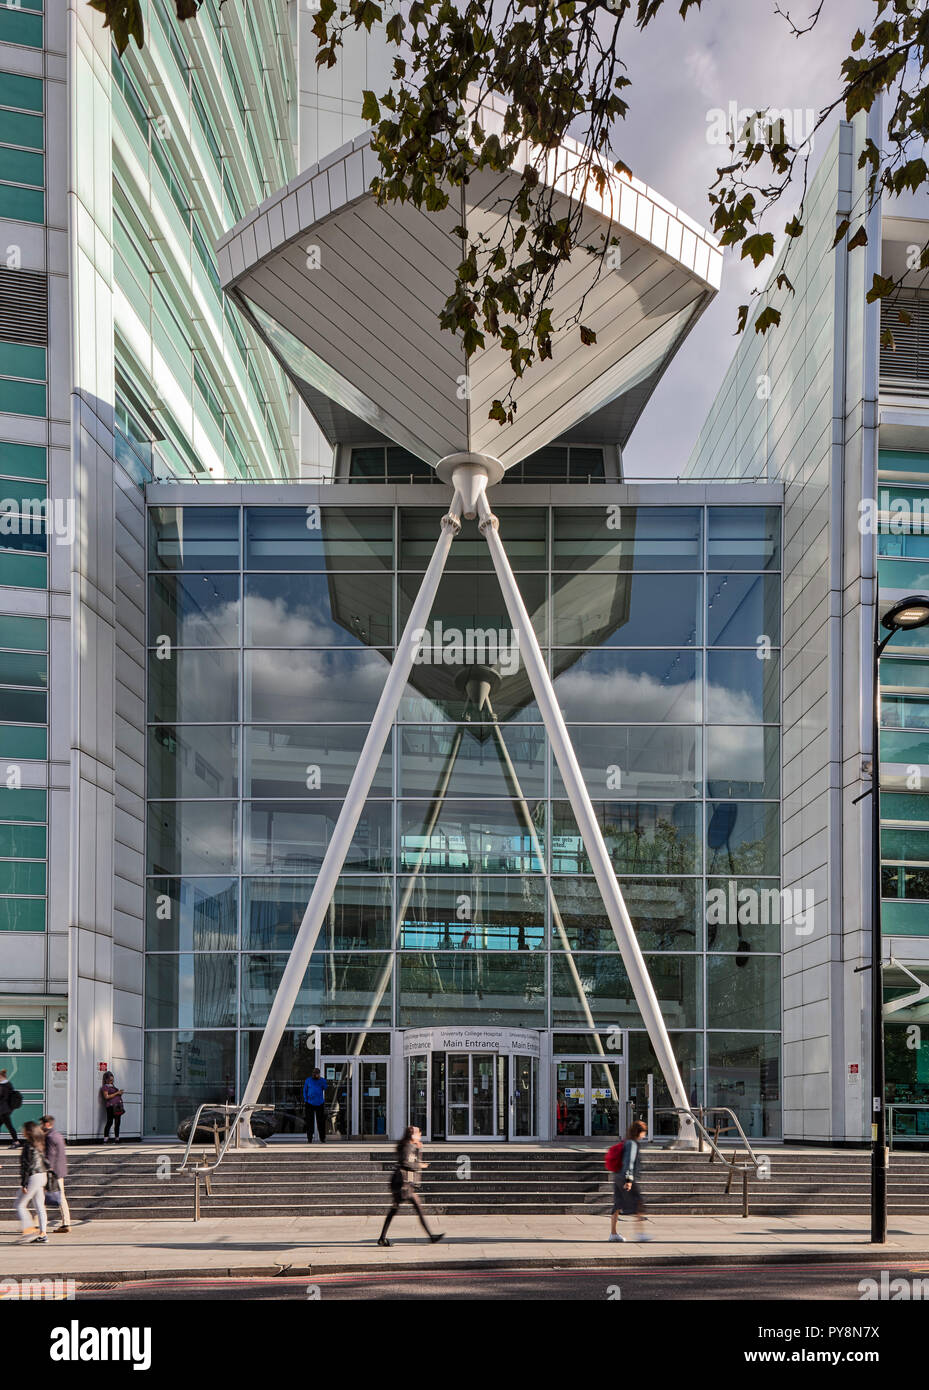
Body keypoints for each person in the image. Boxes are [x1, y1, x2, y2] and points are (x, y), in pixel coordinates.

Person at [377, 1125, 444, 1247]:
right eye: (418, 1133)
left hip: (402, 1184)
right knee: (416, 1208)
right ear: (412, 1135)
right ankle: (431, 1236)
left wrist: (419, 1149)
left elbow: (412, 1160)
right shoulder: (407, 1146)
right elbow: (405, 1163)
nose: (420, 1134)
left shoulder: (410, 1145)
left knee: (394, 1210)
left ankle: (382, 1238)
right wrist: (420, 1165)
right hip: (403, 1185)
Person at [609, 1120, 650, 1243]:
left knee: (617, 1204)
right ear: (639, 1132)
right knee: (638, 1203)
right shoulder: (632, 1144)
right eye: (644, 1132)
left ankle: (613, 1233)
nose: (644, 1135)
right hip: (626, 1177)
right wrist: (629, 1180)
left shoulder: (626, 1142)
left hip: (618, 1175)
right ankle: (640, 1234)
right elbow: (629, 1162)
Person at [15, 1121, 48, 1244]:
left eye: (23, 1129)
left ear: (28, 1132)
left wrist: (24, 1183)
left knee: (19, 1204)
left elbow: (26, 1166)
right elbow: (46, 1163)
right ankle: (43, 1233)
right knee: (39, 1205)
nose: (22, 1131)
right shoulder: (38, 1144)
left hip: (33, 1176)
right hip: (42, 1175)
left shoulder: (28, 1146)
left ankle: (29, 1231)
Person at [40, 1115, 71, 1233]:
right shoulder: (58, 1135)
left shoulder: (49, 1137)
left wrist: (46, 1170)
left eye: (41, 1124)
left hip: (52, 1172)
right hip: (60, 1170)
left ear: (47, 1124)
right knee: (61, 1196)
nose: (40, 1126)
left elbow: (50, 1156)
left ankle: (41, 1222)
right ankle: (66, 1222)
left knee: (41, 1197)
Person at [303, 1067, 327, 1144]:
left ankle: (322, 1138)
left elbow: (325, 1088)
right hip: (309, 1103)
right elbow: (305, 1091)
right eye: (314, 1073)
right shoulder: (308, 1080)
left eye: (317, 1073)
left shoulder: (322, 1080)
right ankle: (309, 1138)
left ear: (319, 1074)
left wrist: (321, 1081)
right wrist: (306, 1100)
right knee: (309, 1122)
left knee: (321, 1122)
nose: (315, 1075)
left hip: (319, 1103)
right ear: (312, 1073)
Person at [101, 1072, 125, 1142]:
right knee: (110, 1122)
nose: (112, 1081)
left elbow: (115, 1095)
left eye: (112, 1080)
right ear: (106, 1079)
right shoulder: (105, 1087)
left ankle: (117, 1138)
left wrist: (119, 1093)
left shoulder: (113, 1086)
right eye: (110, 1080)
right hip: (111, 1107)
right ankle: (106, 1138)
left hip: (117, 1106)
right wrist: (117, 1093)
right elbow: (106, 1097)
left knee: (117, 1122)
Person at [0, 1069, 17, 1145]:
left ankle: (16, 1142)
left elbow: (3, 1098)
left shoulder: (5, 1085)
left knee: (10, 1126)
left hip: (4, 1111)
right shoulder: (6, 1084)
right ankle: (16, 1141)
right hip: (3, 1110)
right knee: (9, 1126)